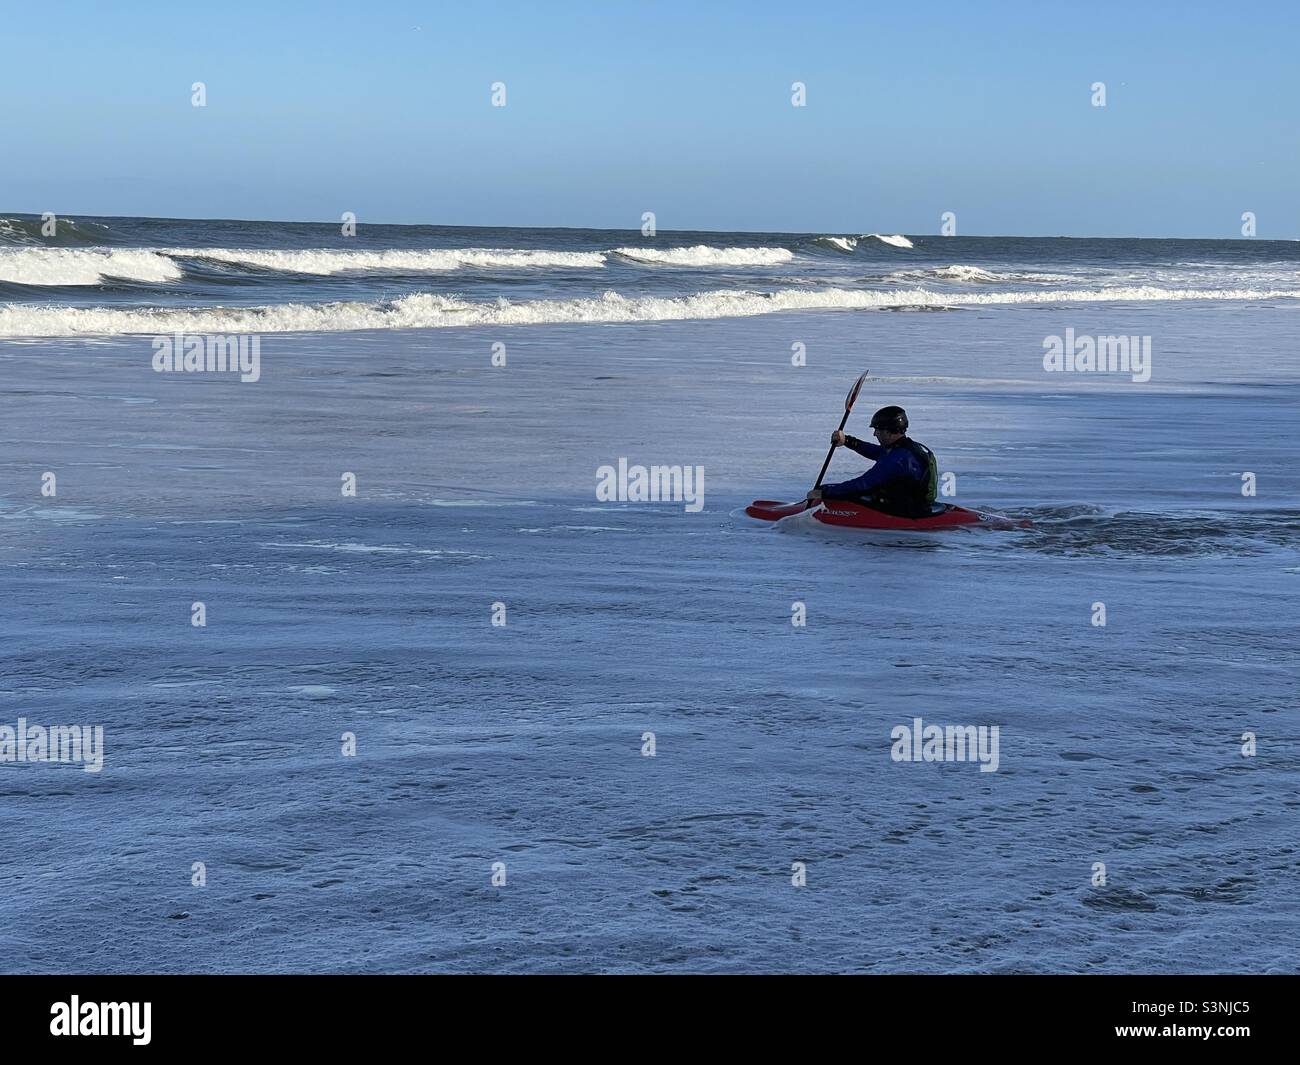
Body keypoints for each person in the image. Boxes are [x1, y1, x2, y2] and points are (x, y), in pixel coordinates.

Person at [805, 405, 938, 518]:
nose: (875, 434)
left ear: (888, 432)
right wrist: (847, 441)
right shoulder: (905, 449)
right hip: (910, 502)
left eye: (877, 430)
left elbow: (863, 484)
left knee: (833, 491)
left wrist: (824, 493)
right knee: (830, 489)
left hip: (906, 509)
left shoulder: (898, 458)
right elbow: (876, 452)